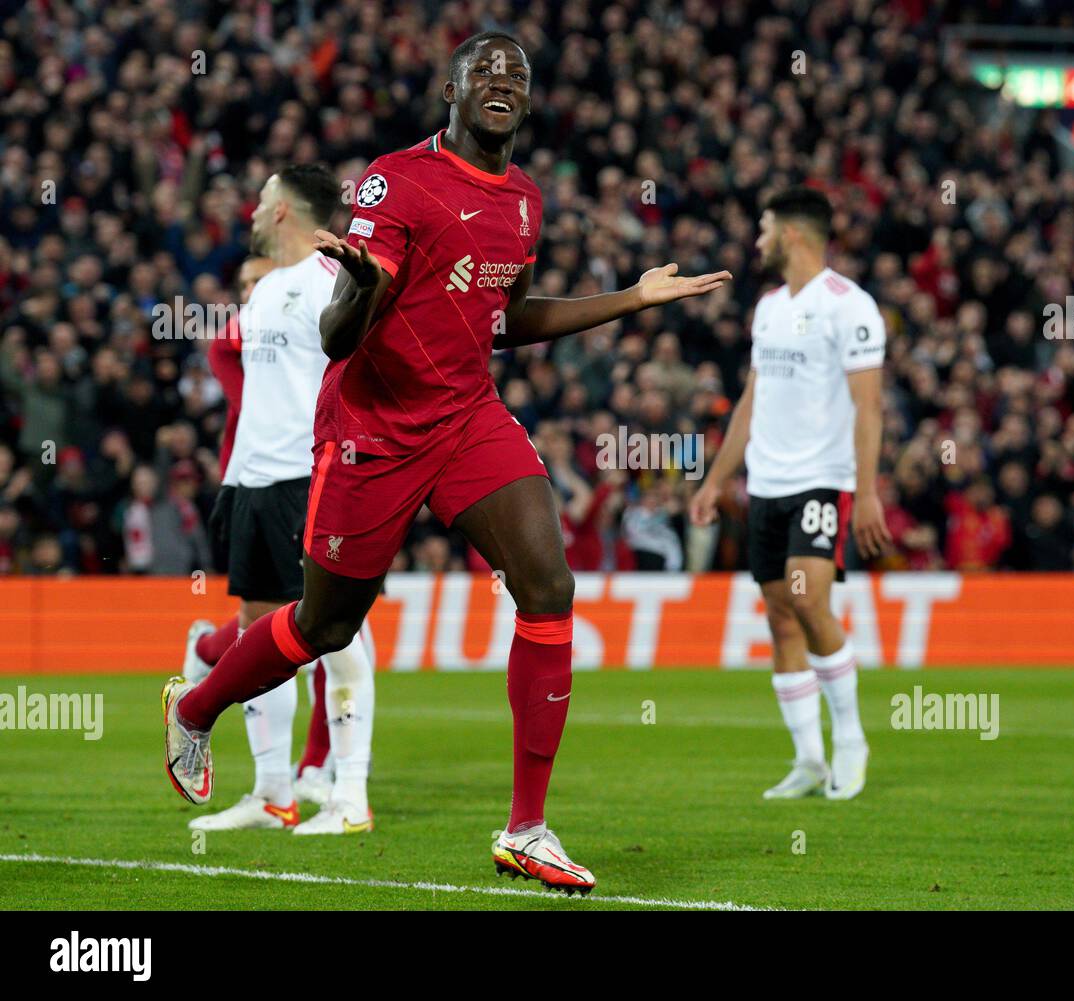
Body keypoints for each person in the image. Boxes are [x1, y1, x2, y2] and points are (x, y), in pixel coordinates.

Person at [162, 31, 730, 895]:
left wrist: (633, 300)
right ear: (453, 92)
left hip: (467, 415)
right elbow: (335, 336)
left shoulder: (527, 201)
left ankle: (527, 827)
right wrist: (361, 287)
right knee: (324, 626)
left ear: (527, 102)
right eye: (485, 71)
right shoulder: (397, 179)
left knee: (549, 586)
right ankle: (195, 707)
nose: (502, 81)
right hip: (374, 429)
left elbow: (512, 318)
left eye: (517, 74)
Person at [172, 166, 377, 836]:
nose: (254, 207)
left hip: (308, 481)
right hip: (251, 483)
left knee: (337, 632)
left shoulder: (332, 281)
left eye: (263, 197)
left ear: (285, 209)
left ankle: (350, 795)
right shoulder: (266, 291)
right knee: (263, 635)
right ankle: (273, 791)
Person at [690, 187, 889, 801]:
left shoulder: (850, 307)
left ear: (793, 235)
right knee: (780, 618)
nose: (758, 240)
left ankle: (850, 739)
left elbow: (869, 407)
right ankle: (807, 757)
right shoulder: (770, 307)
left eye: (765, 229)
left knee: (808, 602)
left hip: (821, 482)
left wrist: (868, 489)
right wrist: (717, 480)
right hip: (767, 486)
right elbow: (753, 400)